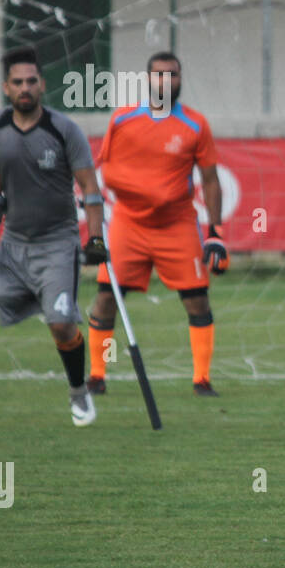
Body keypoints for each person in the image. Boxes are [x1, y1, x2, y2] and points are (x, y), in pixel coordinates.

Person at [0, 46, 107, 426]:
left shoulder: (63, 130)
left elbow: (89, 188)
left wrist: (95, 238)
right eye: (18, 82)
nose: (25, 88)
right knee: (14, 307)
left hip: (59, 243)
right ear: (6, 87)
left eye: (31, 81)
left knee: (61, 323)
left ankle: (79, 393)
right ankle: (47, 302)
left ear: (42, 85)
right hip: (14, 243)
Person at [87, 51, 228, 397]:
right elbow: (102, 165)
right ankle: (98, 373)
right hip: (128, 223)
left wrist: (216, 232)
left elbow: (210, 180)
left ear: (181, 80)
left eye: (173, 75)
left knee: (197, 301)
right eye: (159, 75)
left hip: (176, 225)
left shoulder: (196, 125)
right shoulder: (122, 120)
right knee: (106, 299)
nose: (166, 81)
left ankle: (201, 379)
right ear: (147, 79)